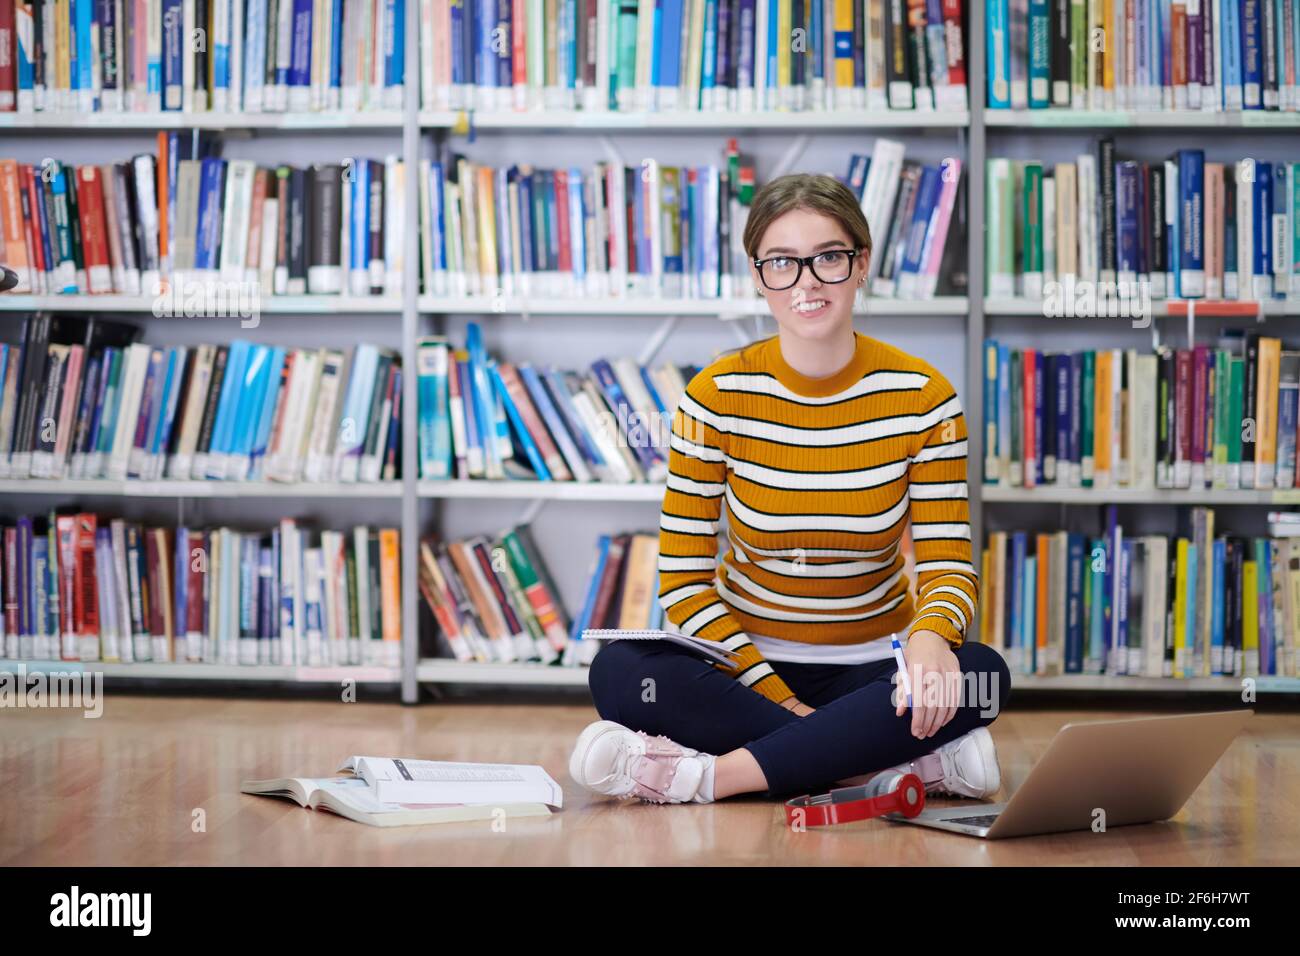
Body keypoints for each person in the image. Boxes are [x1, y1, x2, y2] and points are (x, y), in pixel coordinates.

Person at [569, 172, 1010, 806]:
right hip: (742, 668)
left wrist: (931, 639)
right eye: (782, 262)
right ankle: (884, 768)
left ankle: (707, 778)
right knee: (619, 673)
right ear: (757, 275)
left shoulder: (924, 398)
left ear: (861, 265)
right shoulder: (714, 397)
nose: (806, 282)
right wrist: (787, 705)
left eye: (828, 258)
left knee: (981, 675)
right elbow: (683, 582)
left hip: (874, 670)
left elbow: (947, 565)